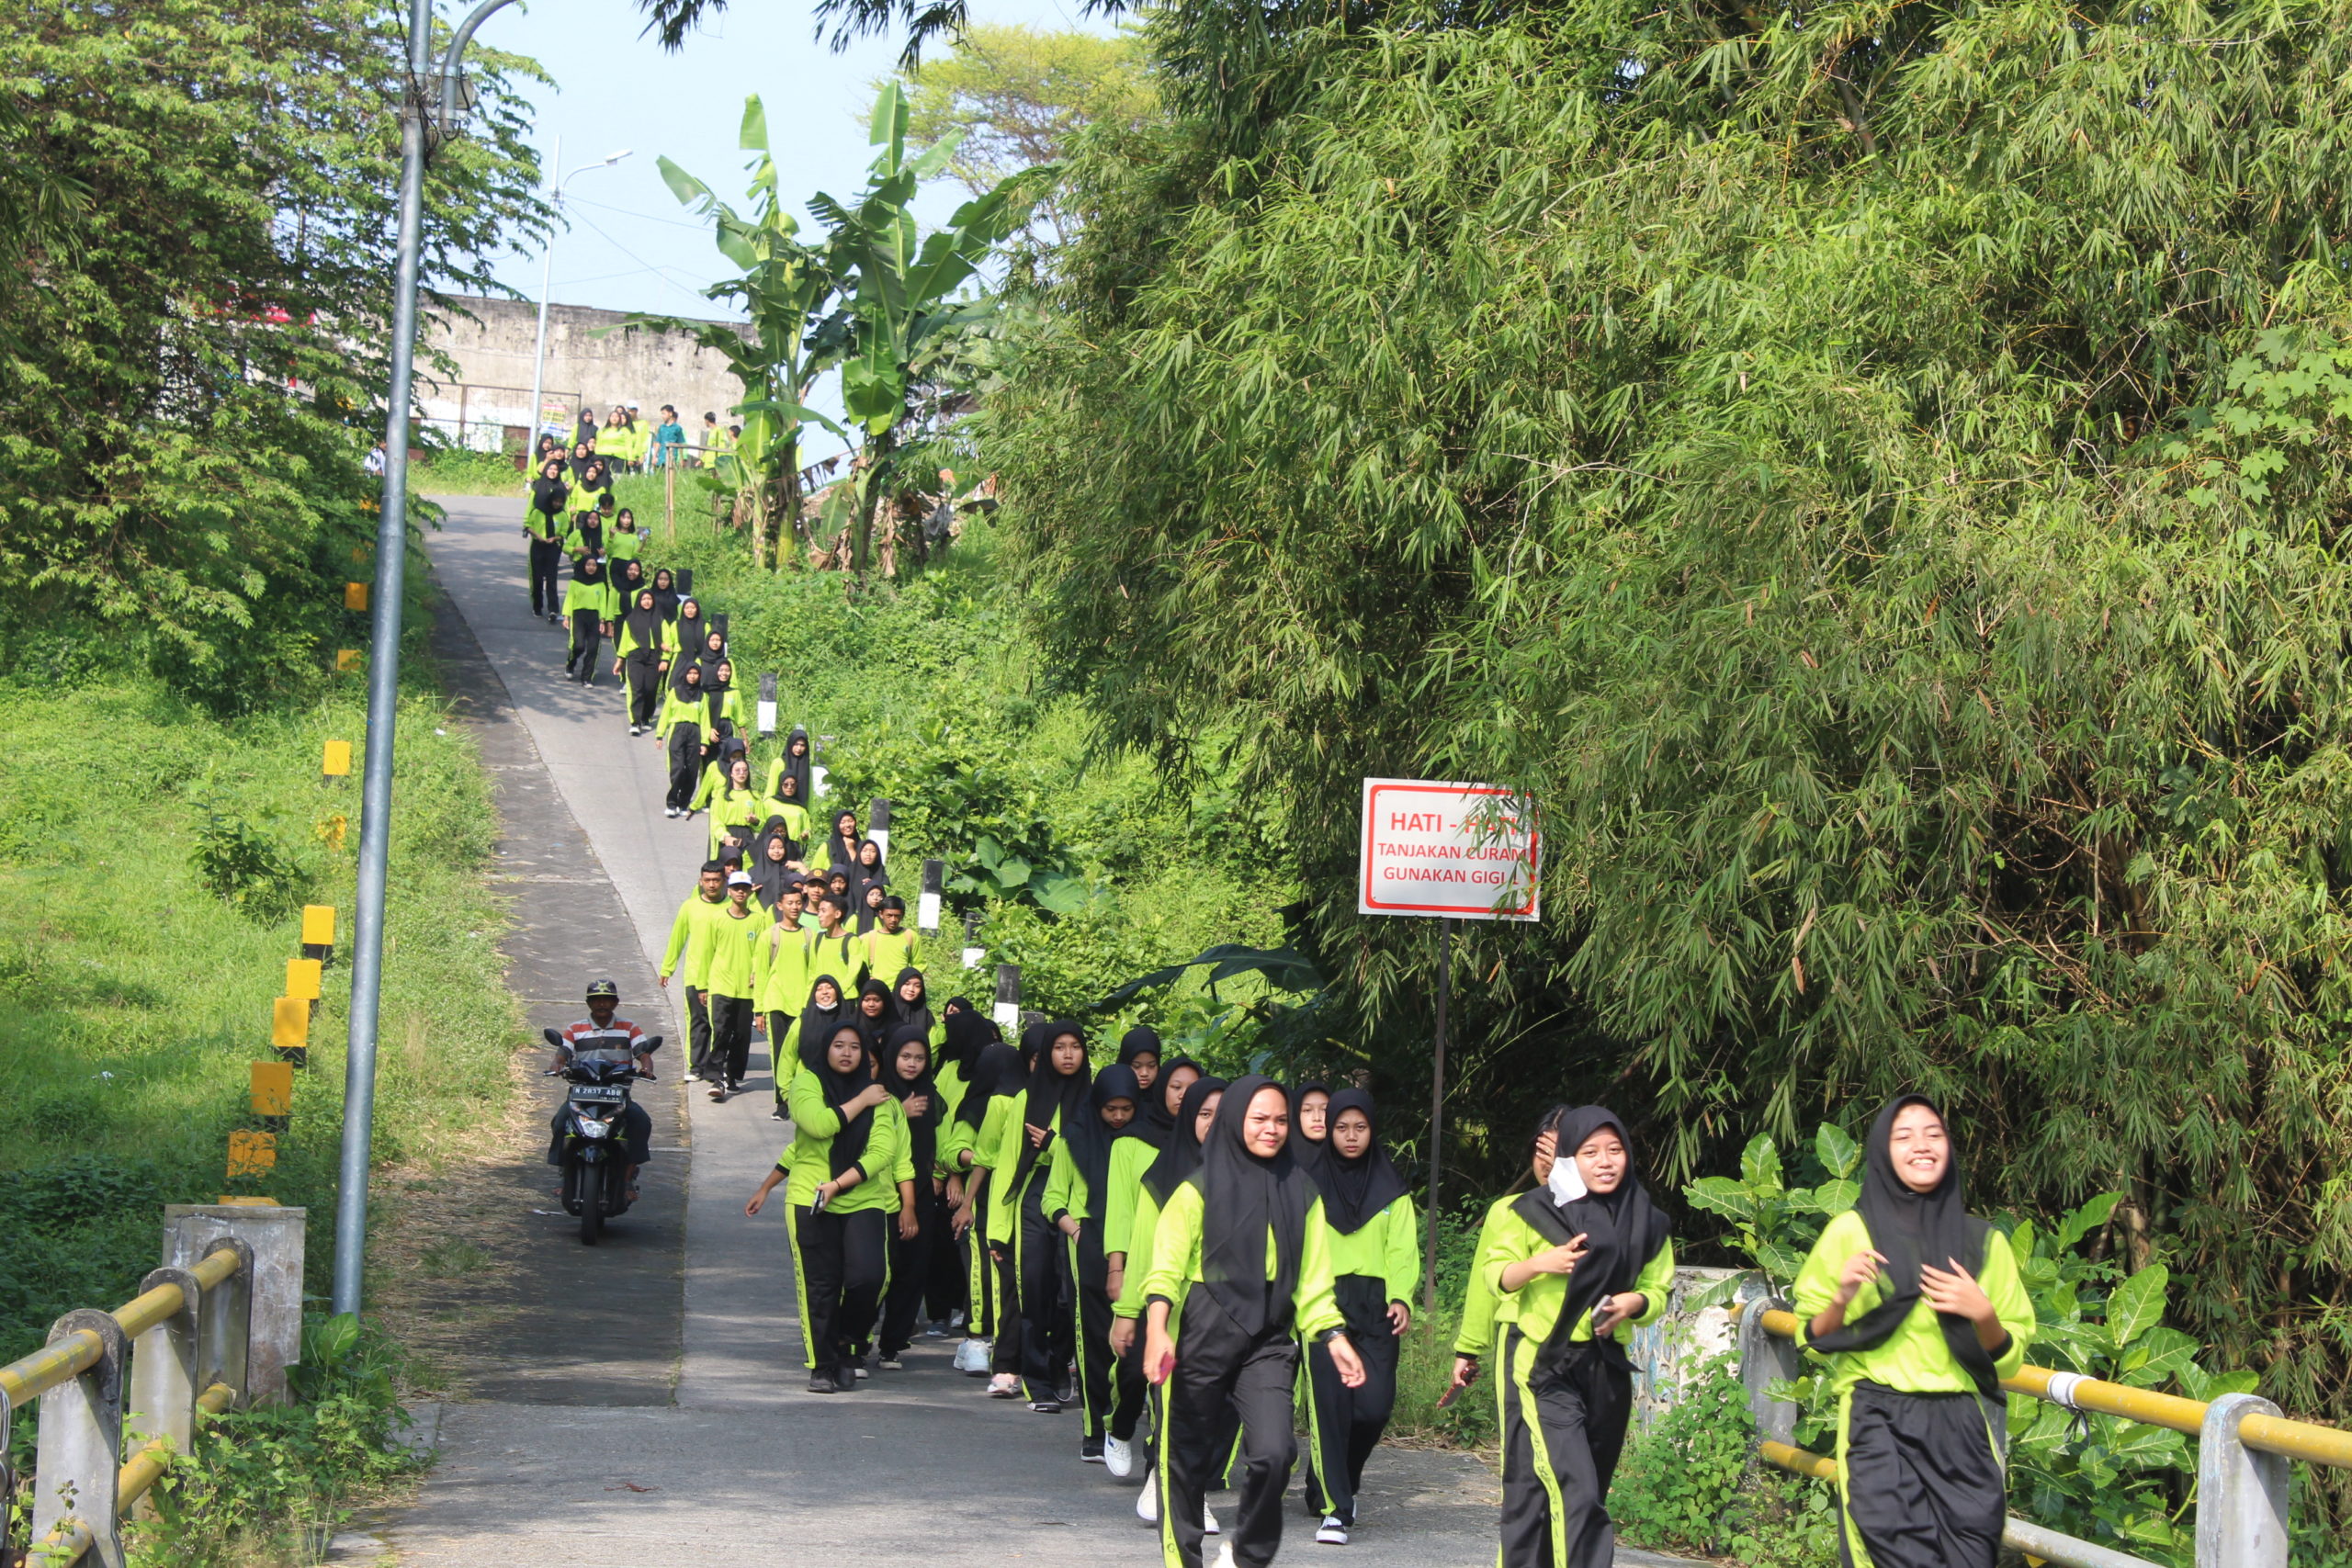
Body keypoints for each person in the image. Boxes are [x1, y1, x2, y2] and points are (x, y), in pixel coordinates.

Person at [1793, 1096, 2034, 1568]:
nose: (1920, 1146)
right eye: (1903, 1136)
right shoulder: (1852, 1231)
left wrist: (1981, 1313)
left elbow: (2009, 1359)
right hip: (1876, 1420)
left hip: (1961, 1426)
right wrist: (1842, 1296)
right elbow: (1813, 1337)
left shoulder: (1984, 1243)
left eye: (1933, 1134)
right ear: (1884, 1151)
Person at [1141, 1075, 1365, 1568]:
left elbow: (1313, 1282)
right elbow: (1164, 1271)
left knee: (1275, 1452)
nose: (1273, 1129)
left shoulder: (1302, 1192)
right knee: (1185, 1460)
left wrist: (1334, 1336)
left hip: (1267, 1336)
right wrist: (1157, 1330)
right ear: (1235, 1121)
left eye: (1281, 1120)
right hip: (1199, 1327)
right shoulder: (1195, 1190)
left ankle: (1246, 1555)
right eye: (1260, 1119)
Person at [1481, 1106, 1675, 1568]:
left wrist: (1634, 1303)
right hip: (1547, 1368)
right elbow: (1493, 1276)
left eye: (1615, 1150)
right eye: (1590, 1152)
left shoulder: (1647, 1220)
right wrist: (1539, 1265)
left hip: (1608, 1371)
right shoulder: (1530, 1211)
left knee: (1589, 1492)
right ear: (1569, 1159)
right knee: (1574, 1493)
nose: (1605, 1161)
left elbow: (1658, 1289)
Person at [747, 1021, 906, 1393]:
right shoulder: (807, 1083)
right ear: (826, 1049)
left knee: (870, 1277)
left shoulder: (879, 1095)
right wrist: (767, 1187)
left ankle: (848, 1340)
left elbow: (883, 1152)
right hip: (809, 1197)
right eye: (839, 1045)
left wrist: (838, 1184)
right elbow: (817, 1127)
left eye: (855, 1046)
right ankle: (822, 1364)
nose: (847, 1053)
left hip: (861, 1196)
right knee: (820, 1285)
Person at [1299, 1089, 1419, 1544]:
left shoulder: (1392, 1188)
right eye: (1342, 1127)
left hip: (1377, 1305)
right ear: (1329, 1131)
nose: (1351, 1137)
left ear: (1373, 1129)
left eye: (1360, 1127)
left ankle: (1335, 1479)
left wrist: (1402, 1297)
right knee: (1330, 1409)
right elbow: (1302, 1250)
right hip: (1325, 1302)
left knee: (1373, 1408)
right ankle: (1336, 1509)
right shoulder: (1307, 1184)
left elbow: (1403, 1249)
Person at [1114, 1071, 1226, 1526]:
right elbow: (1144, 1246)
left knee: (1224, 1412)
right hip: (1177, 1312)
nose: (1214, 1124)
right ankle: (1183, 1494)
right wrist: (1126, 1312)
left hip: (1240, 1315)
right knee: (1184, 1408)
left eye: (1224, 1115)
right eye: (1204, 1114)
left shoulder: (1257, 1177)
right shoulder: (1162, 1176)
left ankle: (1165, 1482)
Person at [1046, 1064, 1152, 1466]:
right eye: (1112, 1109)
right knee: (1094, 1342)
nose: (1120, 1117)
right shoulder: (1073, 1139)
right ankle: (1094, 1429)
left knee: (1137, 1343)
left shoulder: (1148, 1140)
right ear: (1097, 1105)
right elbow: (1052, 1197)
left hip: (1137, 1244)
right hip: (1090, 1242)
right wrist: (1076, 1231)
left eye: (1127, 1108)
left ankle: (1123, 1423)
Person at [994, 1021, 1093, 1412]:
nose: (1068, 1055)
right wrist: (998, 1232)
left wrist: (1056, 1145)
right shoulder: (1024, 1099)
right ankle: (1037, 1383)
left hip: (1079, 1201)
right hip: (1033, 1198)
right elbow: (1008, 1164)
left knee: (1071, 1296)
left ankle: (1058, 1365)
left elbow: (1097, 1156)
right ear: (1047, 1053)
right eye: (1059, 1047)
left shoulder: (1094, 1101)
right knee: (1033, 1291)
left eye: (1075, 1047)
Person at [1449, 1114, 1563, 1409]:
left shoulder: (1597, 1210)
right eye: (1541, 1152)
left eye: (1560, 1150)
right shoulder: (1507, 1210)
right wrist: (1468, 1350)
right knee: (1519, 1442)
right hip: (1517, 1336)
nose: (1547, 1162)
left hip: (1578, 1338)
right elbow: (1483, 1284)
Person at [947, 1036, 1023, 1379]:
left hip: (1008, 1200)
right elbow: (952, 1150)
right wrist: (980, 1160)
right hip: (982, 1200)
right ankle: (977, 1338)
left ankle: (993, 1341)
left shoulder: (1024, 1103)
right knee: (980, 1270)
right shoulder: (977, 1108)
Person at [542, 978, 655, 1196]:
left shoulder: (629, 1028)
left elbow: (643, 1053)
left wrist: (646, 1067)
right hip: (583, 1093)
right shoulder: (575, 1029)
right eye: (596, 1000)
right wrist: (556, 1065)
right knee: (560, 1123)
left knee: (641, 1123)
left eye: (607, 999)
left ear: (616, 1003)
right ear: (588, 1003)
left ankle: (626, 1179)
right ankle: (566, 1175)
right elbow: (562, 1053)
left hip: (617, 1094)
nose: (602, 1004)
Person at [876, 1023, 945, 1367]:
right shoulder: (879, 1092)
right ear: (893, 1056)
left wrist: (937, 1174)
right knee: (878, 1270)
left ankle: (893, 1342)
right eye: (905, 1056)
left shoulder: (930, 1094)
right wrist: (898, 1114)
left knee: (913, 1269)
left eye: (920, 1057)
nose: (912, 1064)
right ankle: (855, 1343)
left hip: (919, 1191)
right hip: (879, 1192)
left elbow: (935, 1140)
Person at [657, 862, 730, 1083]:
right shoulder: (690, 907)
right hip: (696, 974)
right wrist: (667, 968)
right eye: (707, 880)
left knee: (720, 1024)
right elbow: (677, 938)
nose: (711, 884)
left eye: (716, 880)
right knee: (698, 1021)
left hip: (724, 977)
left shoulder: (731, 907)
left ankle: (715, 1065)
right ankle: (696, 1065)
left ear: (724, 882)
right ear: (700, 882)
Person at [700, 871, 762, 1100]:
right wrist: (703, 985)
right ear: (729, 890)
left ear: (749, 891)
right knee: (721, 1030)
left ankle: (733, 1074)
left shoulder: (758, 920)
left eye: (744, 888)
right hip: (721, 985)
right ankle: (716, 1075)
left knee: (743, 1034)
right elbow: (707, 952)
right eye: (736, 888)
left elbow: (761, 952)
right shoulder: (717, 918)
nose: (740, 892)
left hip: (746, 988)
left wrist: (757, 974)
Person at [657, 663, 711, 818]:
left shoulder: (702, 695)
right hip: (678, 731)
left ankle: (683, 803)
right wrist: (660, 735)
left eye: (696, 674)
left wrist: (705, 742)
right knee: (678, 768)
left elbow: (705, 720)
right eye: (690, 673)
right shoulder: (675, 692)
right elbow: (666, 714)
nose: (693, 676)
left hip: (695, 732)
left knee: (692, 771)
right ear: (685, 674)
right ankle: (672, 803)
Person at [615, 588, 670, 735]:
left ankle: (646, 718)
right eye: (644, 599)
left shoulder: (660, 620)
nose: (647, 601)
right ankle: (635, 721)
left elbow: (667, 640)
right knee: (637, 688)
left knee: (650, 689)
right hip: (635, 656)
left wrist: (665, 659)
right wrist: (620, 660)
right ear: (639, 601)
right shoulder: (631, 619)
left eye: (649, 599)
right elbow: (624, 641)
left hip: (654, 656)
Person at [526, 457, 569, 621]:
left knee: (551, 578)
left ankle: (553, 609)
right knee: (537, 577)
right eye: (556, 501)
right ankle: (537, 606)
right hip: (538, 545)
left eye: (560, 502)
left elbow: (564, 532)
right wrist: (539, 536)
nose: (557, 504)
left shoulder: (562, 515)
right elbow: (529, 525)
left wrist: (554, 538)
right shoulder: (538, 511)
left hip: (553, 547)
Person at [561, 555, 616, 685]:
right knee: (579, 645)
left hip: (594, 617)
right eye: (588, 564)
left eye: (594, 565)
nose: (591, 568)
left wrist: (603, 621)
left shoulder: (600, 583)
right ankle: (571, 664)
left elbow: (603, 602)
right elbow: (569, 599)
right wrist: (566, 617)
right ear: (583, 566)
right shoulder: (575, 582)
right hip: (578, 615)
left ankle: (586, 677)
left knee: (593, 648)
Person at [765, 725, 813, 806]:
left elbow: (809, 793)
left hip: (799, 809)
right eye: (796, 744)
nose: (799, 748)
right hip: (779, 806)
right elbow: (771, 788)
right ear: (790, 744)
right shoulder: (778, 763)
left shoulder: (807, 767)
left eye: (802, 745)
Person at [653, 404, 687, 468]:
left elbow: (680, 444)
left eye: (664, 414)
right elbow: (658, 443)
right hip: (661, 458)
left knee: (671, 475)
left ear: (670, 414)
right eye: (662, 414)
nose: (662, 416)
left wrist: (681, 459)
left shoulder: (677, 428)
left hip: (672, 458)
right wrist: (654, 456)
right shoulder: (661, 427)